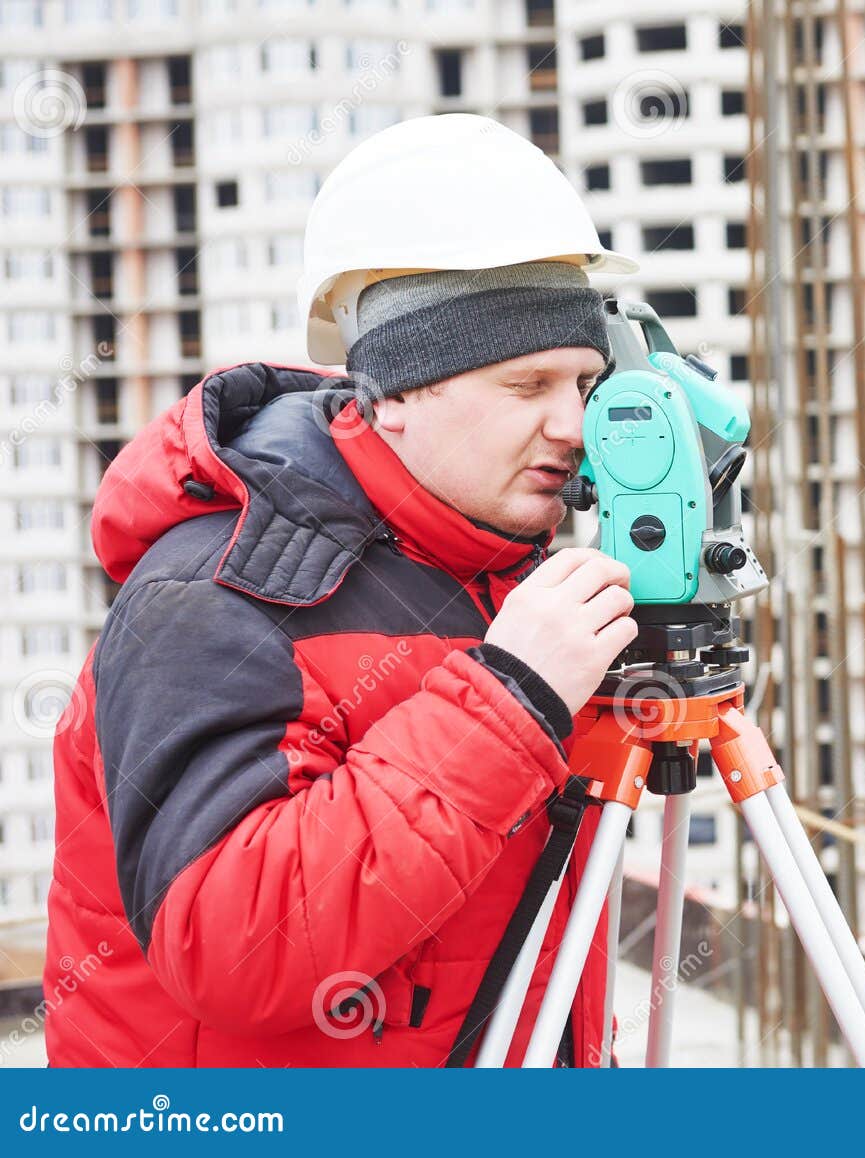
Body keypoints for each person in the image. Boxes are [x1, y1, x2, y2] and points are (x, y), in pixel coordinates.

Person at [44, 114, 641, 1066]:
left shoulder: (497, 570)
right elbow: (234, 948)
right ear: (397, 394)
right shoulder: (212, 595)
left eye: (586, 381)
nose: (575, 425)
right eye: (529, 387)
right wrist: (511, 700)